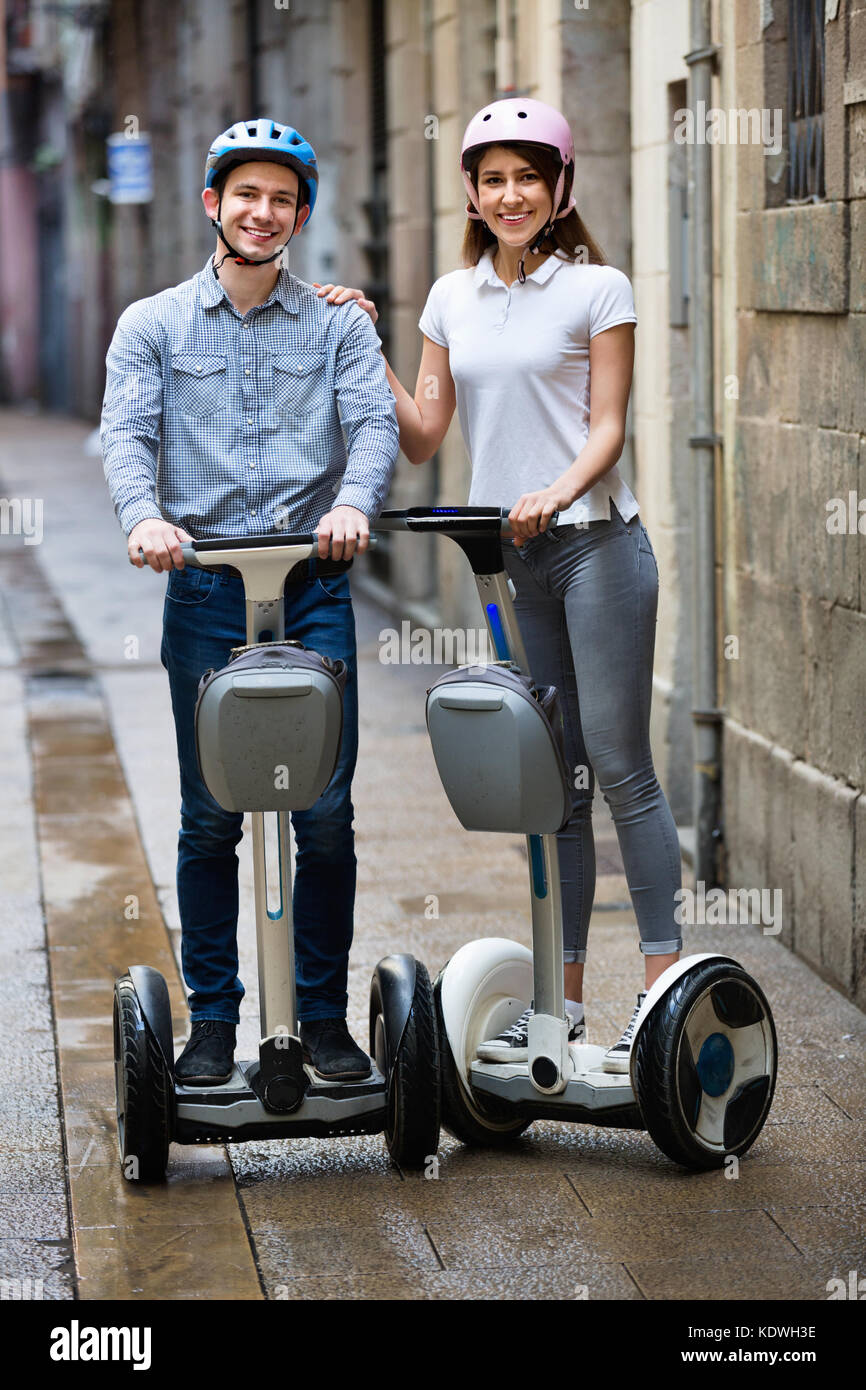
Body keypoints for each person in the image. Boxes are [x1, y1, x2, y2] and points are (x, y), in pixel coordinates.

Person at [314, 97, 682, 1072]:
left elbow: (605, 429)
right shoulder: (449, 296)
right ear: (471, 193)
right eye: (491, 179)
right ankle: (558, 1004)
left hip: (595, 544)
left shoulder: (598, 289)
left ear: (558, 189)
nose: (508, 193)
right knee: (550, 782)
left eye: (526, 176)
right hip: (508, 556)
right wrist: (365, 343)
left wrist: (551, 492)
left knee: (615, 760)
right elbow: (426, 432)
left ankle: (659, 988)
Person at [101, 118, 399, 1085]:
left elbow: (373, 427)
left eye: (281, 200)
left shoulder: (342, 324)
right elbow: (126, 435)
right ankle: (214, 1023)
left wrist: (354, 504)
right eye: (246, 196)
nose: (262, 213)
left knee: (324, 814)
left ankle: (323, 1020)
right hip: (205, 594)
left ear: (299, 215)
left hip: (311, 591)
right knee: (209, 818)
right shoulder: (153, 324)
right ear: (213, 207)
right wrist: (144, 519)